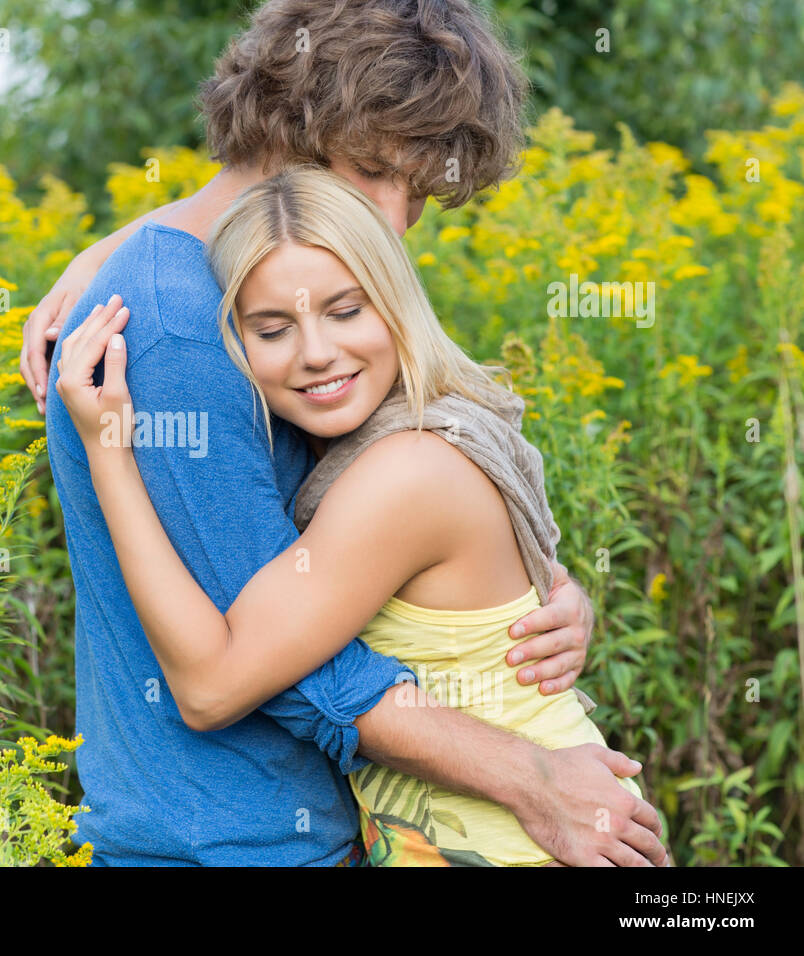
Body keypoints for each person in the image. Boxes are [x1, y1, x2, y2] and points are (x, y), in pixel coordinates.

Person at [35, 0, 667, 865]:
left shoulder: (267, 287)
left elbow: (392, 505)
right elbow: (254, 665)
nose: (401, 222)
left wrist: (528, 590)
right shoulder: (178, 330)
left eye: (419, 190)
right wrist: (526, 773)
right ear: (300, 125)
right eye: (381, 173)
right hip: (234, 840)